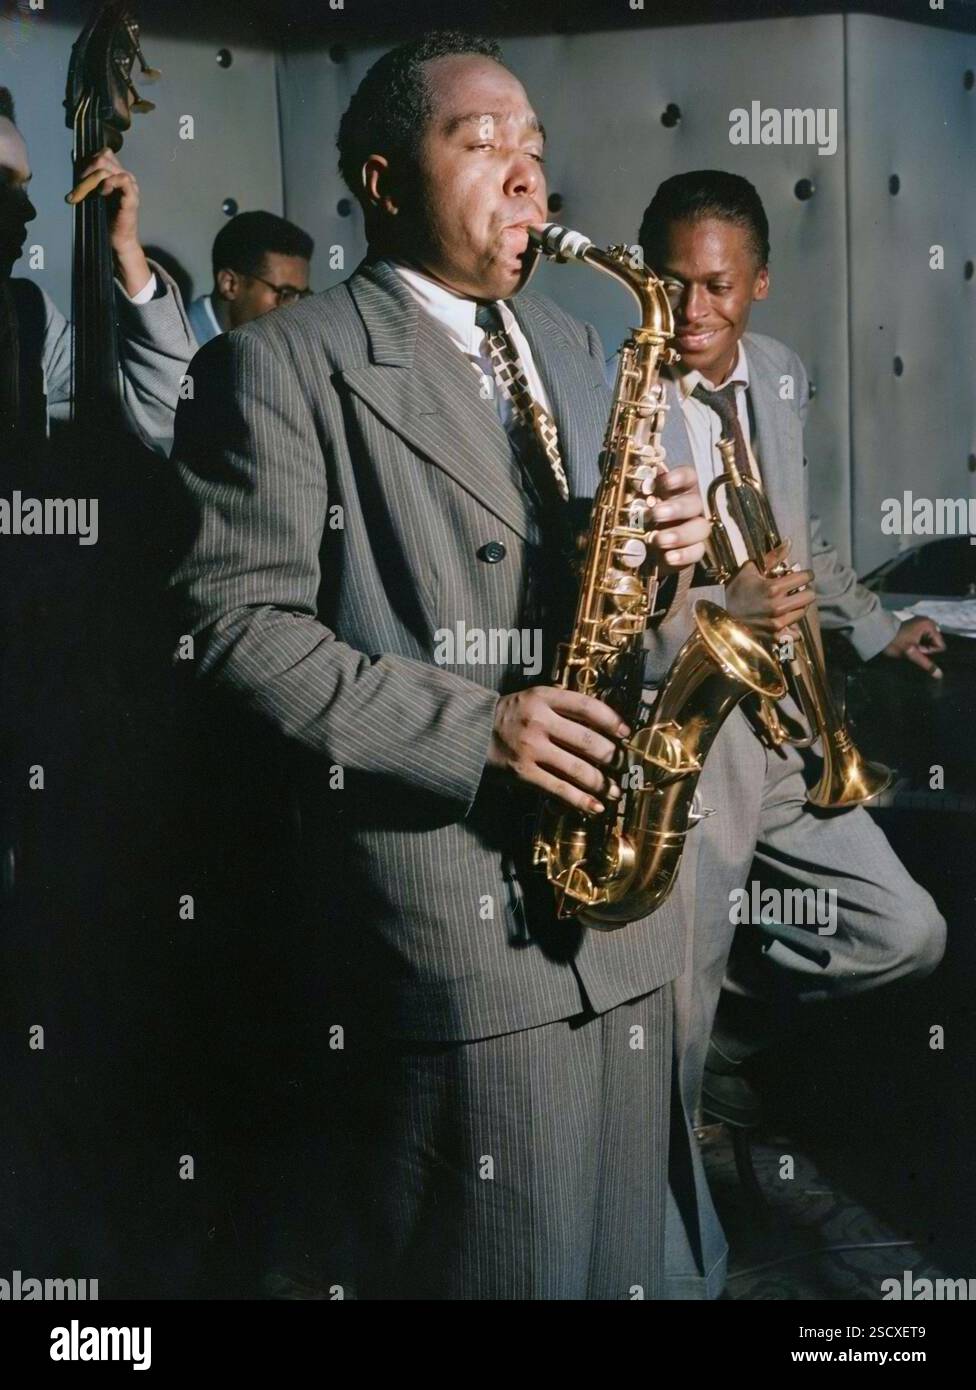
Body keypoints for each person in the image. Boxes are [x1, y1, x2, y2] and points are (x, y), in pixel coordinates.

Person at [168, 31, 710, 1300]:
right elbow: (231, 629)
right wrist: (476, 732)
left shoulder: (582, 351)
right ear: (380, 181)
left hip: (623, 915)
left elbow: (620, 606)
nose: (527, 178)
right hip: (458, 920)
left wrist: (669, 556)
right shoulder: (273, 364)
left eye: (533, 149)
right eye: (480, 146)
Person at [634, 170, 947, 1297]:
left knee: (904, 930)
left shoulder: (777, 373)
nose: (692, 308)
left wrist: (872, 626)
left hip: (787, 726)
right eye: (669, 279)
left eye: (716, 284)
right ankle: (689, 1266)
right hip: (693, 734)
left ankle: (729, 1054)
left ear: (757, 281)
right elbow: (591, 593)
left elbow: (798, 540)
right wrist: (715, 616)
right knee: (665, 1007)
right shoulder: (609, 389)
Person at [0, 86, 193, 456]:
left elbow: (167, 407)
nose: (28, 211)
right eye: (1, 184)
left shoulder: (26, 313)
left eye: (25, 187)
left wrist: (124, 249)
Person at [186, 210, 313, 347]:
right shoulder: (178, 351)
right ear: (229, 284)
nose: (295, 312)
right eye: (286, 294)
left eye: (302, 296)